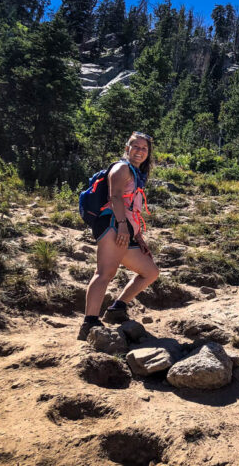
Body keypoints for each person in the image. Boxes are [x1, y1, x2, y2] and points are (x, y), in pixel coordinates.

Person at [77, 132, 159, 340]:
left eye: (144, 148)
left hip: (126, 228)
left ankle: (117, 309)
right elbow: (114, 196)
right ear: (127, 148)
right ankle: (90, 323)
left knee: (150, 272)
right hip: (113, 224)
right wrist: (122, 226)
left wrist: (138, 237)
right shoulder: (122, 168)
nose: (140, 151)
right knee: (105, 272)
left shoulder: (137, 174)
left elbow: (133, 208)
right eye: (136, 147)